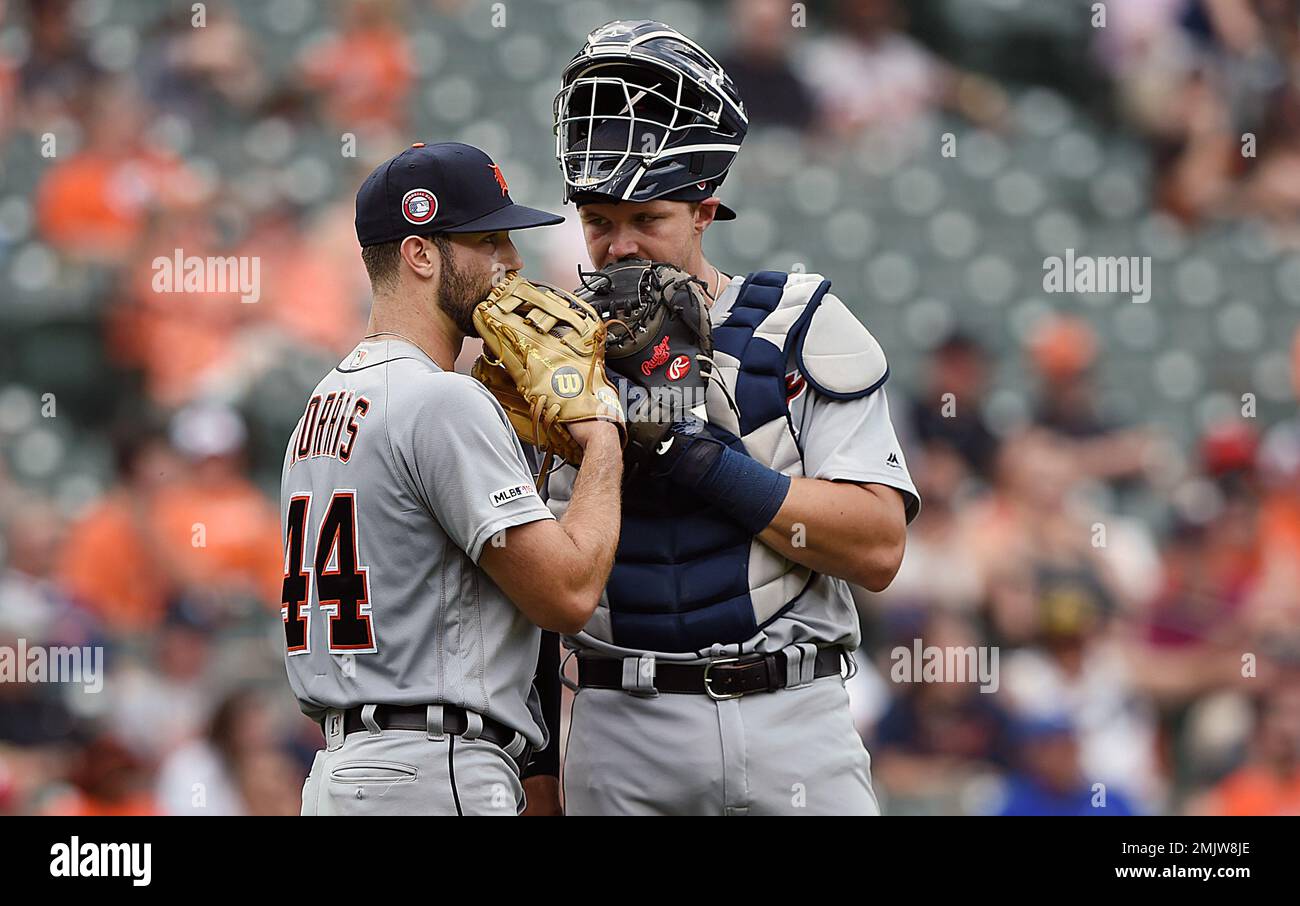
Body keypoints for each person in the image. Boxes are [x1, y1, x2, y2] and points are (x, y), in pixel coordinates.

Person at [543, 21, 920, 815]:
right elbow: (531, 596)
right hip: (620, 720)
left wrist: (699, 456)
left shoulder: (799, 324)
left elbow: (879, 546)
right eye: (599, 221)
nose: (620, 248)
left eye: (649, 220)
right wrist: (542, 772)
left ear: (705, 211)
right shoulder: (546, 354)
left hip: (791, 708)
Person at [283, 142, 623, 816]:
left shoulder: (319, 407)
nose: (514, 263)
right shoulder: (443, 401)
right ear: (421, 254)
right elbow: (568, 593)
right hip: (432, 769)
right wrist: (603, 434)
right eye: (490, 240)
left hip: (343, 772)